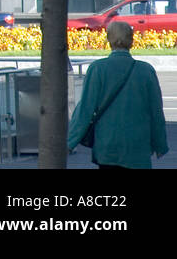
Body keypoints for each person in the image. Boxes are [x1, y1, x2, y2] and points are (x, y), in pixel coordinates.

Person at [67, 19, 167, 168]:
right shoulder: (146, 71)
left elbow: (85, 110)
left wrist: (70, 142)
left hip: (108, 147)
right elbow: (156, 112)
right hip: (138, 147)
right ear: (131, 41)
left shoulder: (97, 69)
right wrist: (160, 145)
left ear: (109, 40)